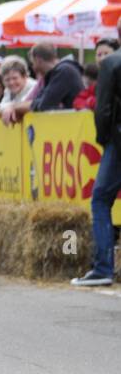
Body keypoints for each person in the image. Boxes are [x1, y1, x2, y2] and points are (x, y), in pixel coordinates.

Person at [72, 41, 121, 285]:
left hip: (119, 139)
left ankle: (103, 268)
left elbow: (103, 109)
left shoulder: (112, 63)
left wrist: (104, 139)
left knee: (101, 198)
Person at [14, 42, 83, 116]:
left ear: (38, 60)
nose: (33, 67)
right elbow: (38, 99)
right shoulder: (55, 74)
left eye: (32, 63)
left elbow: (44, 105)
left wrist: (15, 108)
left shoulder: (64, 71)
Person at [0, 56, 35, 125]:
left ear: (25, 77)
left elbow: (27, 105)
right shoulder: (8, 90)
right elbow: (0, 108)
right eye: (7, 80)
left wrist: (11, 107)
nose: (11, 83)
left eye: (15, 78)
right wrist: (8, 108)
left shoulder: (33, 87)